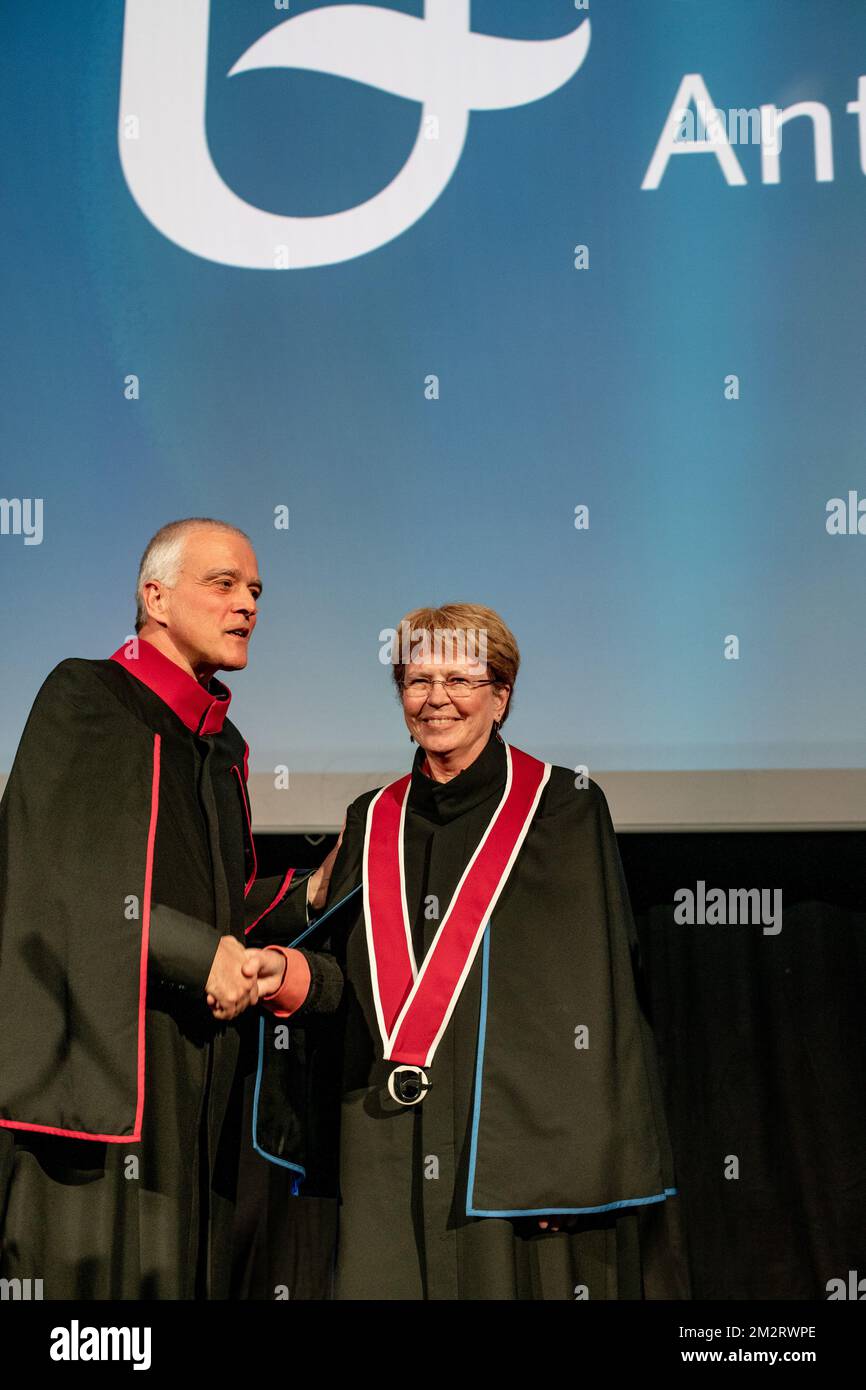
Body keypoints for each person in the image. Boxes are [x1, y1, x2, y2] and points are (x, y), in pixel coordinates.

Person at [252, 604, 689, 1300]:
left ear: (501, 694)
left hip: (508, 1146)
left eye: (460, 678)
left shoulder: (564, 806)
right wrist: (294, 973)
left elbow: (593, 996)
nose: (437, 698)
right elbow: (349, 973)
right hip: (382, 1131)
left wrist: (567, 1166)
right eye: (418, 680)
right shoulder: (373, 816)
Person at [0, 517, 331, 1298]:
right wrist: (195, 953)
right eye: (224, 584)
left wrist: (313, 891)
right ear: (155, 595)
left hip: (198, 1072)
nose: (247, 603)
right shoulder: (87, 697)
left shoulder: (219, 746)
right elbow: (50, 881)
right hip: (100, 1063)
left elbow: (222, 903)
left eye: (255, 590)